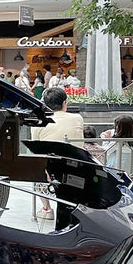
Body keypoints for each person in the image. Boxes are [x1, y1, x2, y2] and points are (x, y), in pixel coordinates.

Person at [32, 88, 85, 216]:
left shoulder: (38, 122)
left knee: (37, 175)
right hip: (77, 169)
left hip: (51, 172)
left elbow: (36, 151)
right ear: (64, 103)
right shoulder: (78, 118)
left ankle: (46, 209)